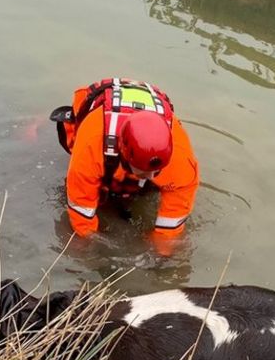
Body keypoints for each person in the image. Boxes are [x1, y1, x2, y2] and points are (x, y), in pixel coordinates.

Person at [50, 78, 199, 252]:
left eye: (156, 171)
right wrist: (90, 248)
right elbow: (81, 212)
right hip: (98, 129)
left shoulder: (181, 162)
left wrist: (161, 252)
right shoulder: (91, 146)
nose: (151, 176)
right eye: (144, 171)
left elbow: (170, 229)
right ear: (124, 153)